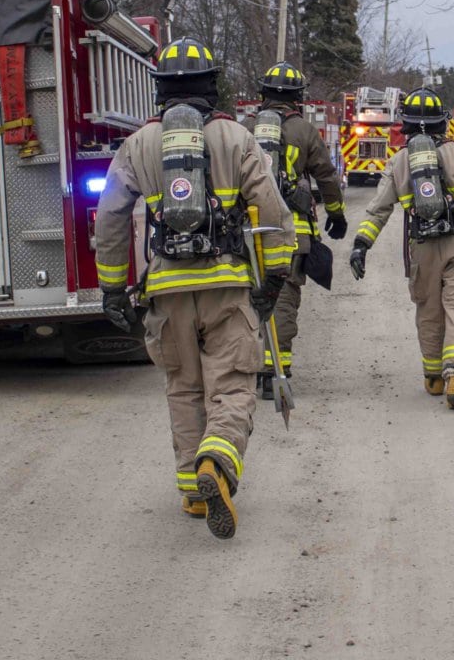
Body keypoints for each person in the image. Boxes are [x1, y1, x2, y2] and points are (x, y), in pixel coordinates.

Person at [95, 37, 295, 539]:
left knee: (183, 387)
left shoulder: (138, 144)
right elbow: (270, 209)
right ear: (212, 85)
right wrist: (272, 275)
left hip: (166, 288)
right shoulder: (235, 136)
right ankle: (217, 461)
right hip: (226, 284)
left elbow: (111, 218)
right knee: (231, 382)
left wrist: (113, 288)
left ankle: (191, 491)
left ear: (159, 88)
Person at [348, 87, 454, 409]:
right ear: (441, 123)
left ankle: (434, 377)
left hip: (422, 251)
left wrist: (360, 245)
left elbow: (378, 210)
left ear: (405, 124)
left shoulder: (399, 162)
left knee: (430, 313)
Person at [243, 61, 348, 400]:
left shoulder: (243, 127)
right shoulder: (304, 131)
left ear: (263, 94)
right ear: (298, 97)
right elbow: (327, 176)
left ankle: (250, 365)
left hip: (246, 233)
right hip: (291, 235)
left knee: (245, 300)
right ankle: (276, 370)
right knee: (284, 299)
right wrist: (337, 213)